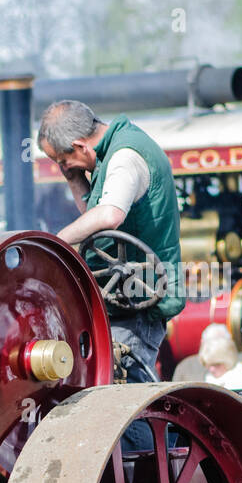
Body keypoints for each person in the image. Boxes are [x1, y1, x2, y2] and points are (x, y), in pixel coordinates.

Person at [38, 100, 184, 384]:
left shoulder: (125, 157)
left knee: (121, 397)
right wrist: (73, 178)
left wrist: (56, 242)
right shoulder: (112, 152)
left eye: (63, 161)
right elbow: (96, 218)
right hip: (121, 302)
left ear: (80, 146)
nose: (64, 167)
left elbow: (110, 215)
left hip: (136, 306)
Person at [197, 325, 242, 390]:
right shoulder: (205, 377)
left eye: (217, 364)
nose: (211, 369)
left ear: (228, 361)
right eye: (207, 365)